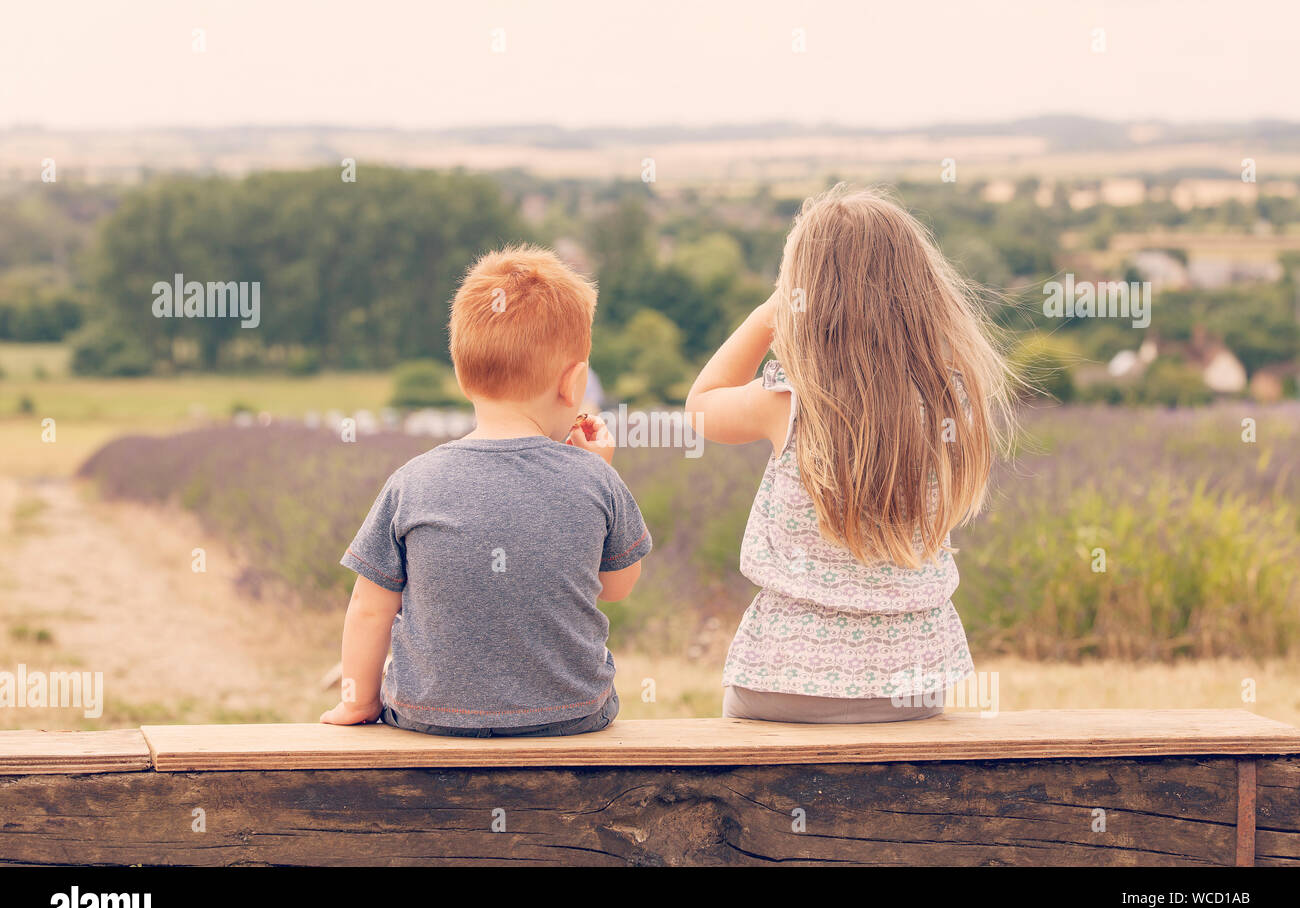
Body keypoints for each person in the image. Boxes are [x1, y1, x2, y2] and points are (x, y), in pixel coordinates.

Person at [684, 184, 1012, 723]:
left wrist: (772, 310)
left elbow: (700, 407)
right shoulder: (955, 400)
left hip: (782, 684)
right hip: (915, 687)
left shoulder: (789, 402)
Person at [321, 245, 651, 736]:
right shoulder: (597, 479)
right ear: (575, 383)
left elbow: (369, 607)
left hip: (428, 718)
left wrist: (359, 702)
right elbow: (618, 587)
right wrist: (591, 471)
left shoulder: (411, 482)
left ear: (462, 374)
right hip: (570, 716)